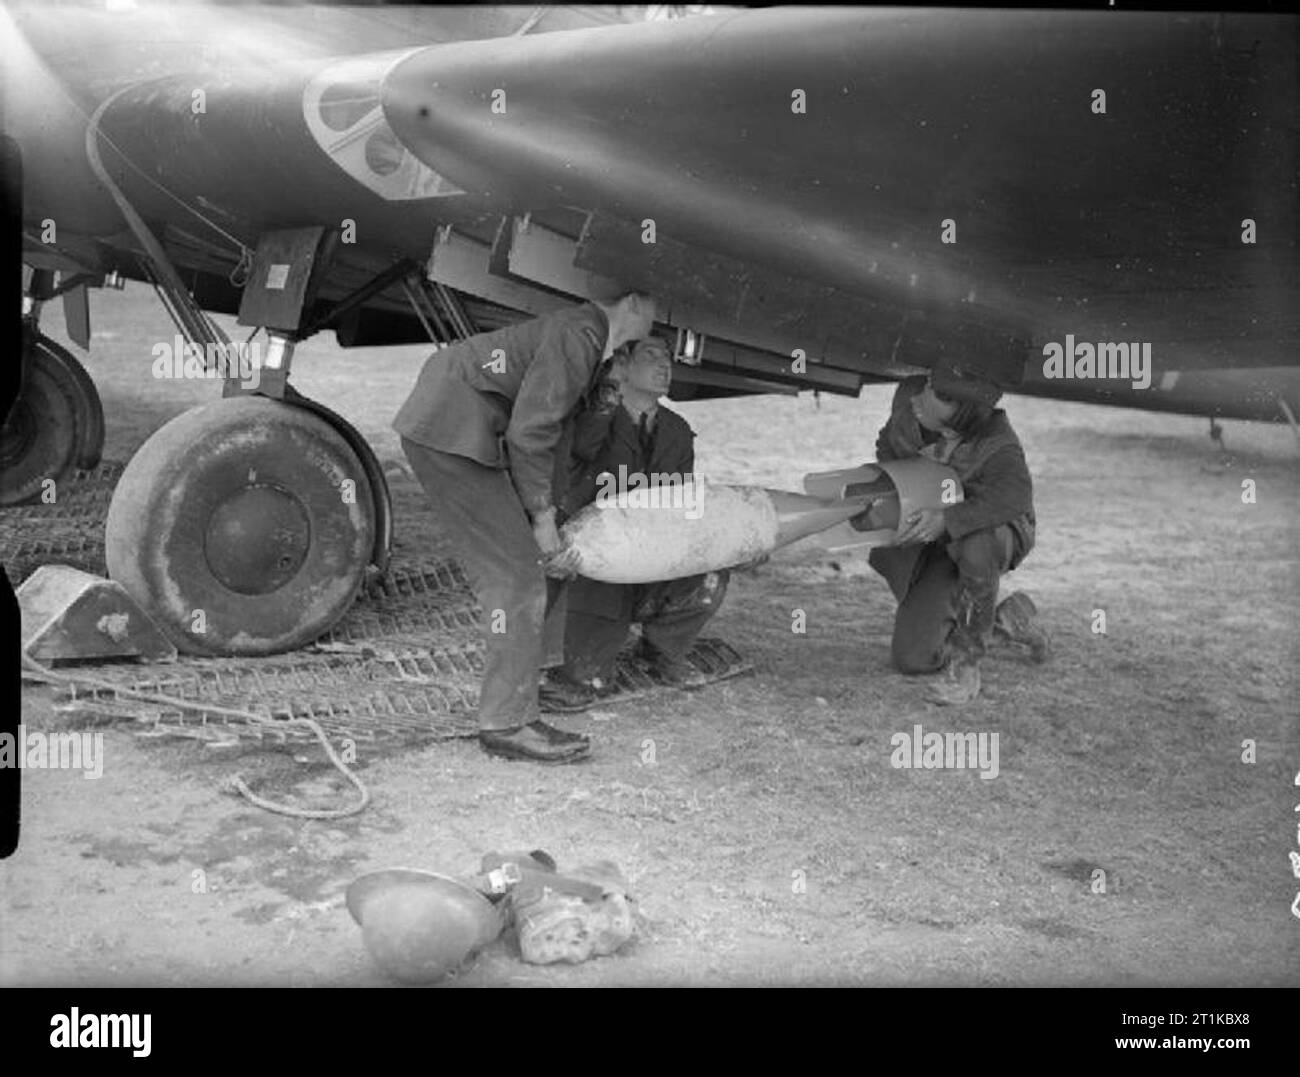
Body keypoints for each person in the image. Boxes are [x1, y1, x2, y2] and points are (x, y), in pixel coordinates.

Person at [393, 292, 657, 763]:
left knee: (531, 567)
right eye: (657, 306)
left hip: (457, 425)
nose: (662, 317)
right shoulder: (580, 333)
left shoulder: (592, 345)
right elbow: (530, 433)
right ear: (634, 303)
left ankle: (522, 697)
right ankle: (507, 723)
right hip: (452, 429)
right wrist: (539, 518)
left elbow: (558, 440)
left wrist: (551, 515)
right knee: (514, 577)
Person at [549, 337, 728, 693]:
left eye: (668, 359)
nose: (665, 366)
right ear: (623, 366)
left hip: (646, 559)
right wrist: (608, 389)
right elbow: (581, 450)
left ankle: (660, 651)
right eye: (651, 356)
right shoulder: (593, 416)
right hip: (590, 564)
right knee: (588, 682)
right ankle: (580, 650)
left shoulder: (676, 430)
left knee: (710, 577)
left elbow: (678, 505)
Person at [866, 360, 1050, 704]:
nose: (917, 395)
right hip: (937, 539)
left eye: (931, 392)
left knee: (976, 545)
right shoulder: (911, 408)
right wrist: (905, 496)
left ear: (956, 414)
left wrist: (947, 520)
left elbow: (1014, 496)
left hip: (991, 529)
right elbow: (887, 445)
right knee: (914, 659)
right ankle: (1005, 621)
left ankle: (968, 662)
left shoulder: (998, 445)